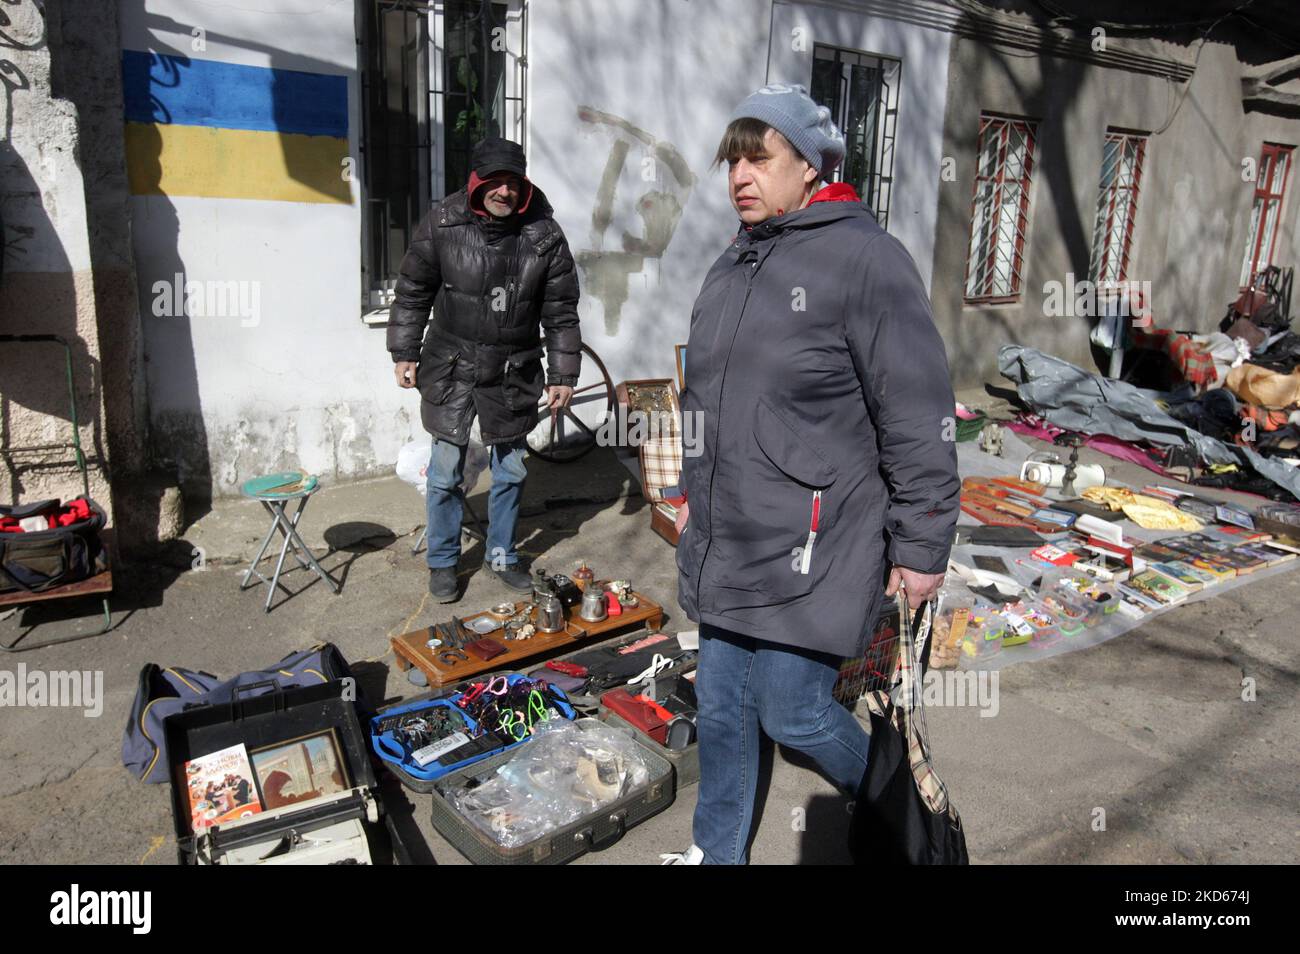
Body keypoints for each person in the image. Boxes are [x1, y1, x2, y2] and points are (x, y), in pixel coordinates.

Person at [662, 85, 960, 864]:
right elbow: (706, 391)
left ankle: (907, 815)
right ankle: (715, 855)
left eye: (759, 157)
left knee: (790, 712)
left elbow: (917, 409)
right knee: (724, 709)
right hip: (733, 528)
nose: (740, 175)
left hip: (817, 536)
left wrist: (923, 544)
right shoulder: (736, 261)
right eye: (734, 159)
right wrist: (689, 492)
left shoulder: (865, 259)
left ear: (810, 165)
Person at [388, 138, 582, 601]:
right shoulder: (443, 222)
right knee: (444, 472)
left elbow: (560, 312)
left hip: (512, 368)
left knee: (512, 472)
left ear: (523, 185)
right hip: (450, 363)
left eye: (513, 183)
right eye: (495, 182)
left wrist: (562, 374)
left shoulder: (544, 236)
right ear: (476, 182)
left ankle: (502, 555)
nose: (504, 192)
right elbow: (413, 290)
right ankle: (442, 561)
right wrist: (404, 351)